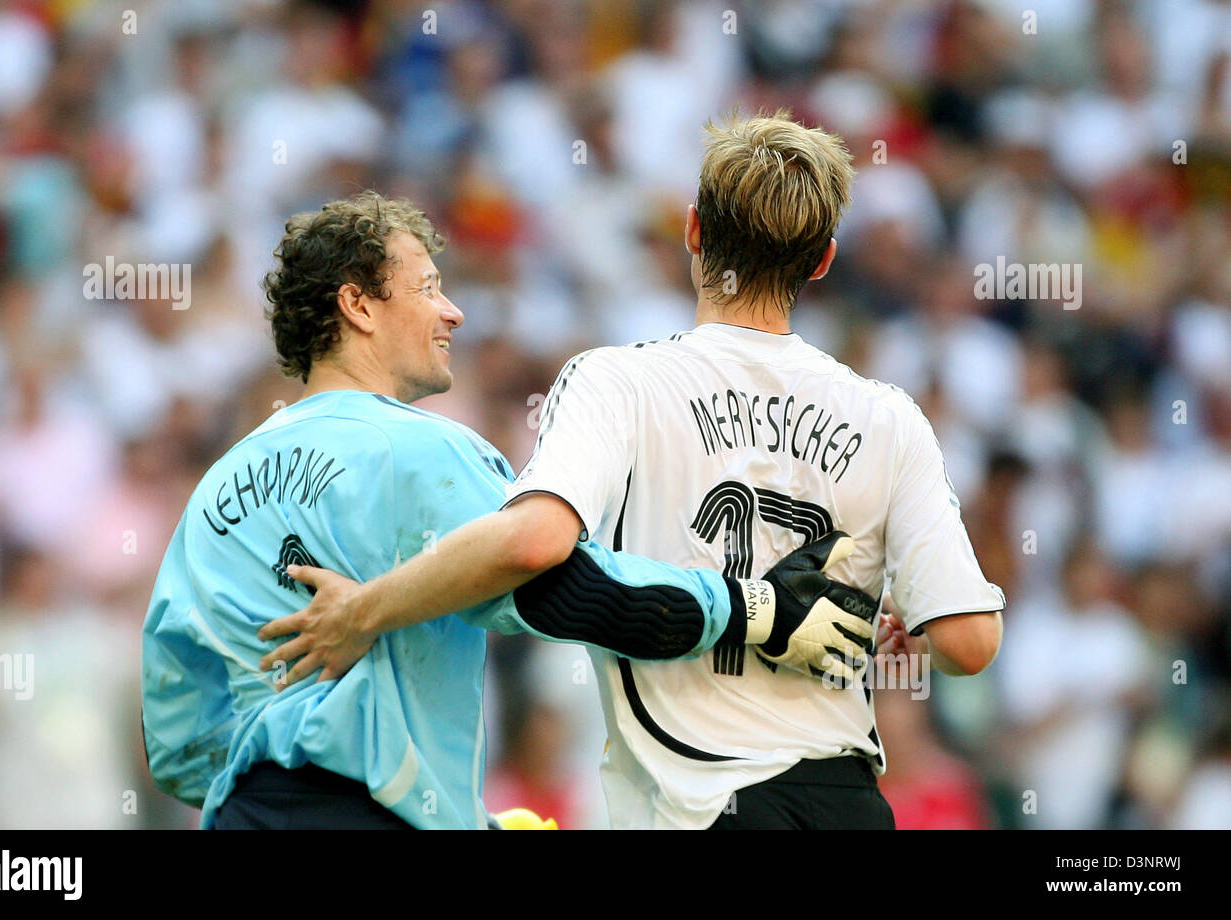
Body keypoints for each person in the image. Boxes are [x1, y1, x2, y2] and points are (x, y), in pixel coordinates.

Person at [264, 113, 1007, 830]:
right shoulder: (889, 415)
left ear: (692, 230)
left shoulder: (616, 381)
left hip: (701, 802)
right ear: (822, 261)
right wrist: (919, 624)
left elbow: (531, 545)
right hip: (847, 801)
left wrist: (363, 611)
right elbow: (969, 642)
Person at [140, 190, 880, 830]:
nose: (453, 311)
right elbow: (560, 581)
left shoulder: (212, 493)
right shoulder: (419, 452)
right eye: (428, 288)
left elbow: (176, 743)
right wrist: (755, 608)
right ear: (358, 304)